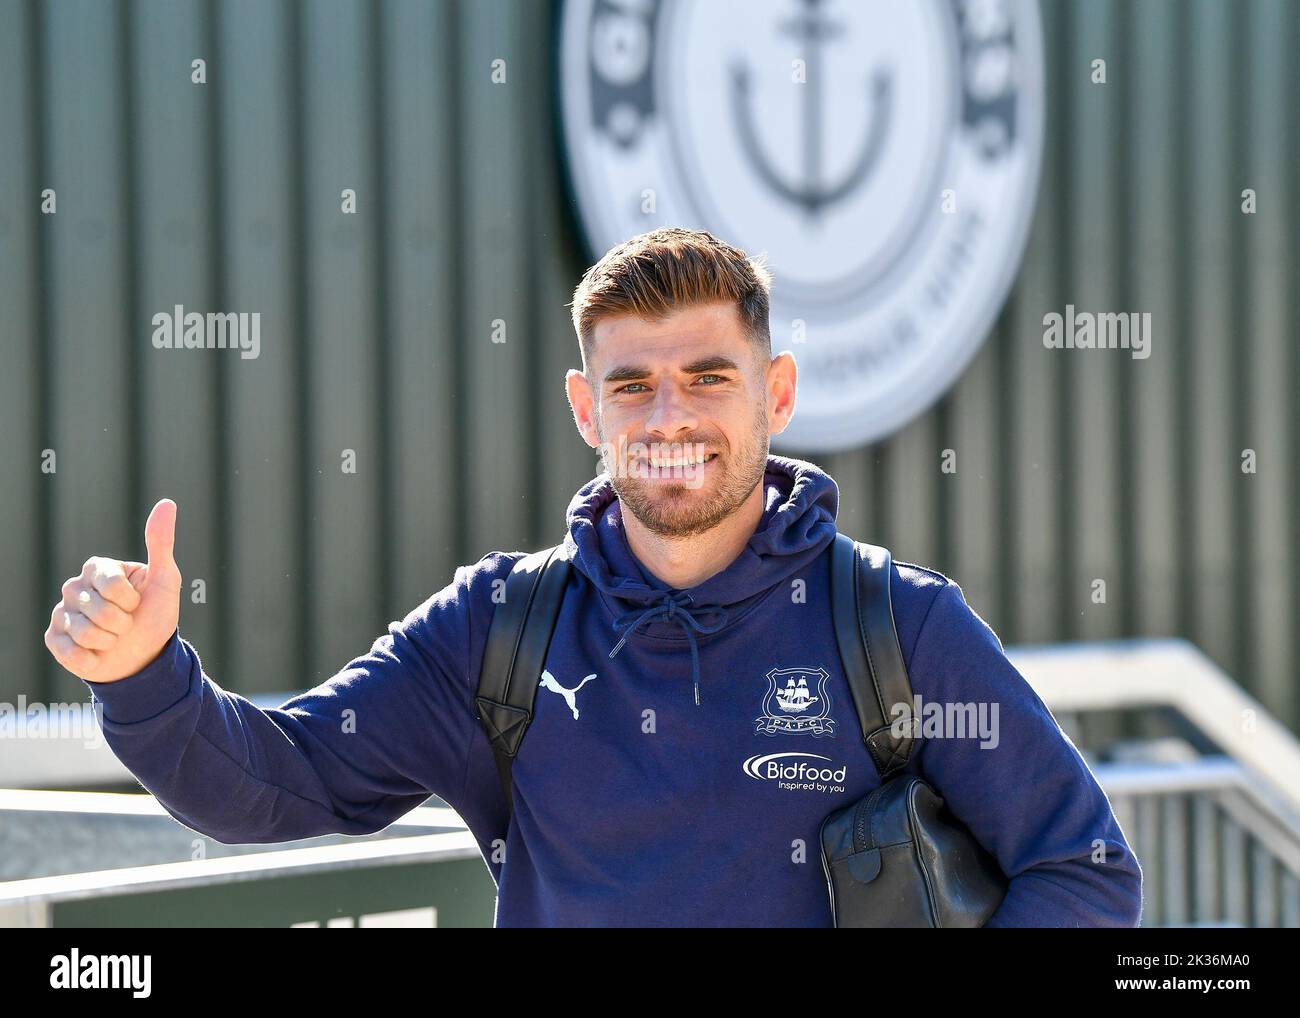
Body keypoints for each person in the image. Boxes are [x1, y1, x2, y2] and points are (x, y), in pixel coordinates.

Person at [44, 227, 1143, 928]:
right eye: (633, 386)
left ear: (778, 393)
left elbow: (1083, 869)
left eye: (710, 377)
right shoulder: (499, 630)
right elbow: (274, 781)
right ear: (586, 409)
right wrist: (146, 676)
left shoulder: (897, 624)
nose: (670, 417)